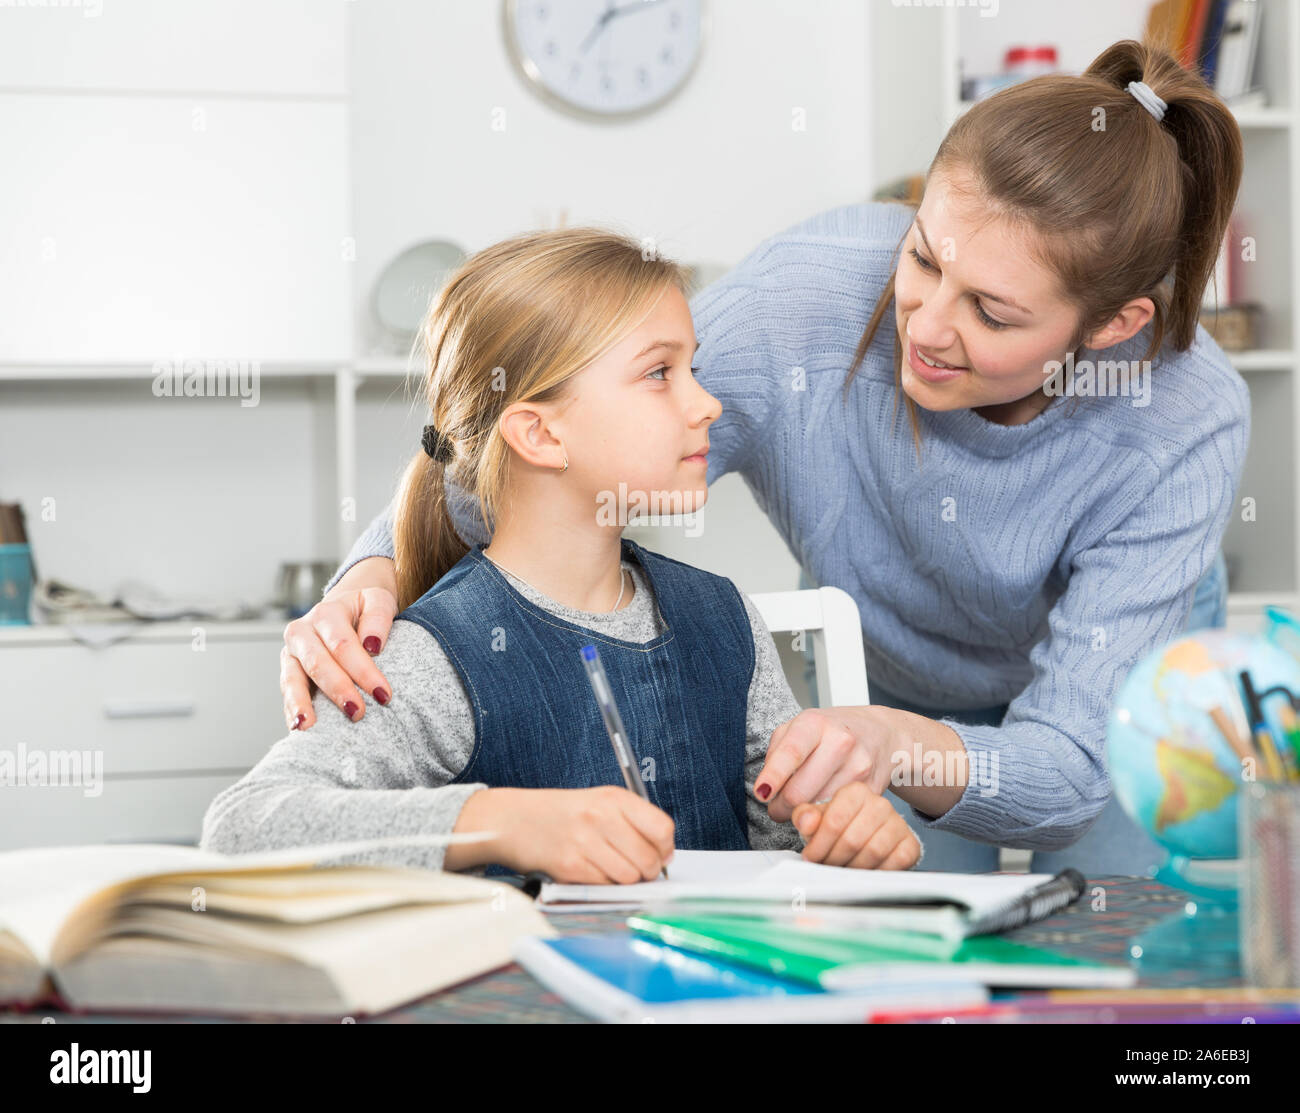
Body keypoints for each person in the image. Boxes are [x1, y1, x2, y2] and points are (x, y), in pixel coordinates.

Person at [278, 39, 1248, 876]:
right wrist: (375, 567)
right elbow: (554, 429)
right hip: (887, 673)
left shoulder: (1183, 418)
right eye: (921, 256)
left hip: (1109, 702)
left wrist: (893, 750)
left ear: (1116, 327)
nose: (925, 324)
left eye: (991, 312)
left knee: (1127, 947)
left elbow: (1072, 774)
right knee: (909, 936)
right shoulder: (809, 298)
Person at [202, 227, 922, 880]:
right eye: (659, 373)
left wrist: (846, 839)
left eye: (693, 369)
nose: (708, 405)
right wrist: (500, 821)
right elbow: (244, 826)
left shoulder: (726, 618)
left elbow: (786, 844)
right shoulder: (432, 656)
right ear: (540, 435)